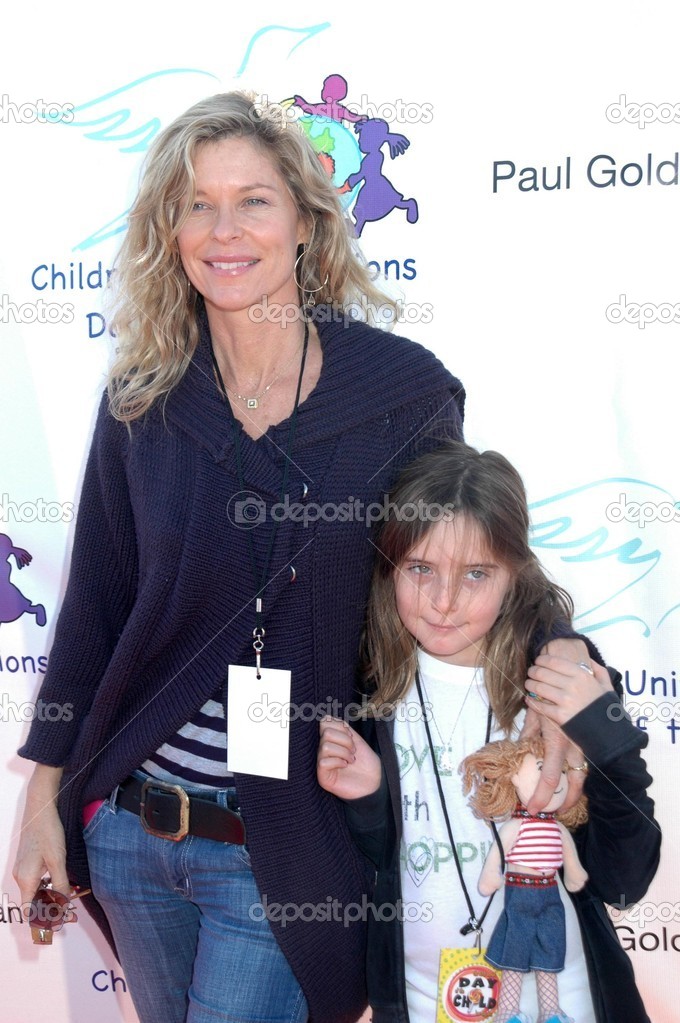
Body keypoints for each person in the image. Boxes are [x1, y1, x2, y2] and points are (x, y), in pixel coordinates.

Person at [13, 91, 585, 1023]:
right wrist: (44, 798)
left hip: (282, 836)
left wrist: (565, 662)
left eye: (253, 200)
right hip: (129, 829)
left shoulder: (400, 395)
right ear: (170, 231)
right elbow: (96, 608)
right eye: (197, 203)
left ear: (307, 225)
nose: (224, 228)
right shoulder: (145, 399)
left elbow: (469, 551)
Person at [317, 441, 660, 1023]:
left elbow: (625, 881)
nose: (444, 603)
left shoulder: (560, 685)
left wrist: (607, 738)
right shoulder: (367, 692)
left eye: (476, 573)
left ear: (514, 573)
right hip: (425, 1005)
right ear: (389, 566)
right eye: (420, 569)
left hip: (569, 1005)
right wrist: (373, 800)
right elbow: (389, 869)